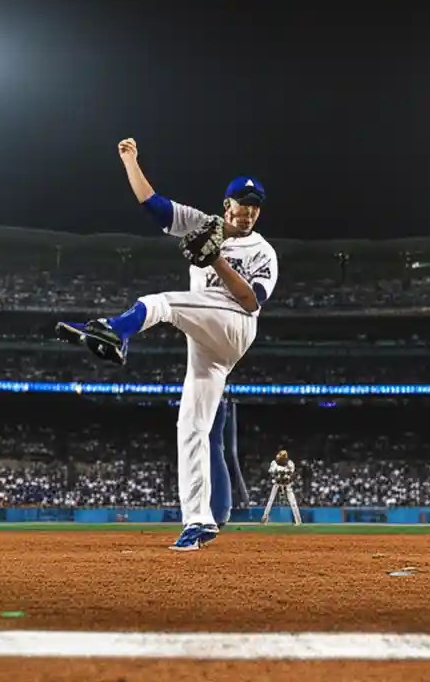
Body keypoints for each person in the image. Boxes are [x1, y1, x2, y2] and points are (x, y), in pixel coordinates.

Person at [57, 138, 278, 551]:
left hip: (235, 327)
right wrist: (129, 160)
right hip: (206, 344)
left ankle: (115, 330)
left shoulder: (263, 250)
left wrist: (215, 260)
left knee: (160, 303)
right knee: (191, 427)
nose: (248, 211)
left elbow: (251, 301)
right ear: (226, 203)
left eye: (255, 205)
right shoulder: (202, 224)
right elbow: (153, 205)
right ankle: (199, 522)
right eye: (241, 202)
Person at [262, 450, 301, 525]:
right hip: (277, 484)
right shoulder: (274, 463)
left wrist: (286, 476)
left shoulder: (290, 463)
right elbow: (271, 473)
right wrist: (279, 475)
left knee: (293, 502)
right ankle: (264, 518)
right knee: (270, 501)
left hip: (287, 485)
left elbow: (292, 474)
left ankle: (298, 520)